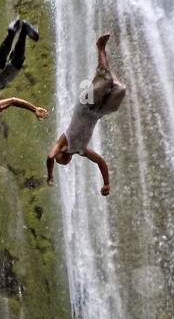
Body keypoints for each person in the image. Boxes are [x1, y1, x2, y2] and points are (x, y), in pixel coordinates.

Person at [47, 32, 127, 196]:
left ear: (60, 153)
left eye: (60, 160)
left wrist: (49, 175)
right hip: (97, 113)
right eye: (62, 162)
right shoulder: (80, 150)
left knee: (105, 81)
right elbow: (100, 162)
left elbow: (49, 156)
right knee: (120, 90)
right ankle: (108, 80)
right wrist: (107, 184)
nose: (64, 162)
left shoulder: (63, 141)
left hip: (84, 105)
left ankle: (100, 47)